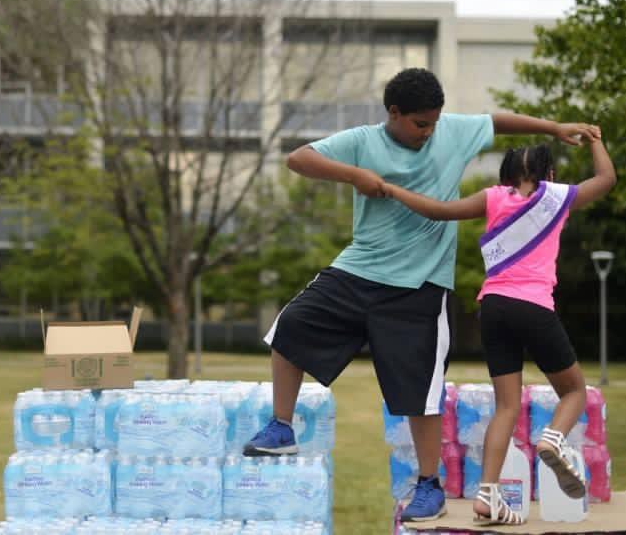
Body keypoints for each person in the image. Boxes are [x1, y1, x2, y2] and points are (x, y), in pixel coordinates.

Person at [242, 67, 599, 522]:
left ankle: (428, 485)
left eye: (434, 121)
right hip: (361, 268)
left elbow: (497, 122)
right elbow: (299, 158)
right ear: (394, 113)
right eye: (420, 124)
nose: (429, 131)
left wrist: (553, 128)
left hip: (422, 285)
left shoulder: (450, 132)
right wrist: (355, 175)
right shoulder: (363, 140)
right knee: (290, 326)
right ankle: (282, 426)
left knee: (422, 392)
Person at [380, 135, 616, 524]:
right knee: (574, 390)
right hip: (534, 307)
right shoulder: (558, 198)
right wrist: (594, 139)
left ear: (506, 175)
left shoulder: (493, 198)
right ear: (550, 174)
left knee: (506, 405)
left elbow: (439, 211)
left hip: (492, 307)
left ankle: (487, 497)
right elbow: (606, 178)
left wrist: (391, 189)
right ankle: (552, 439)